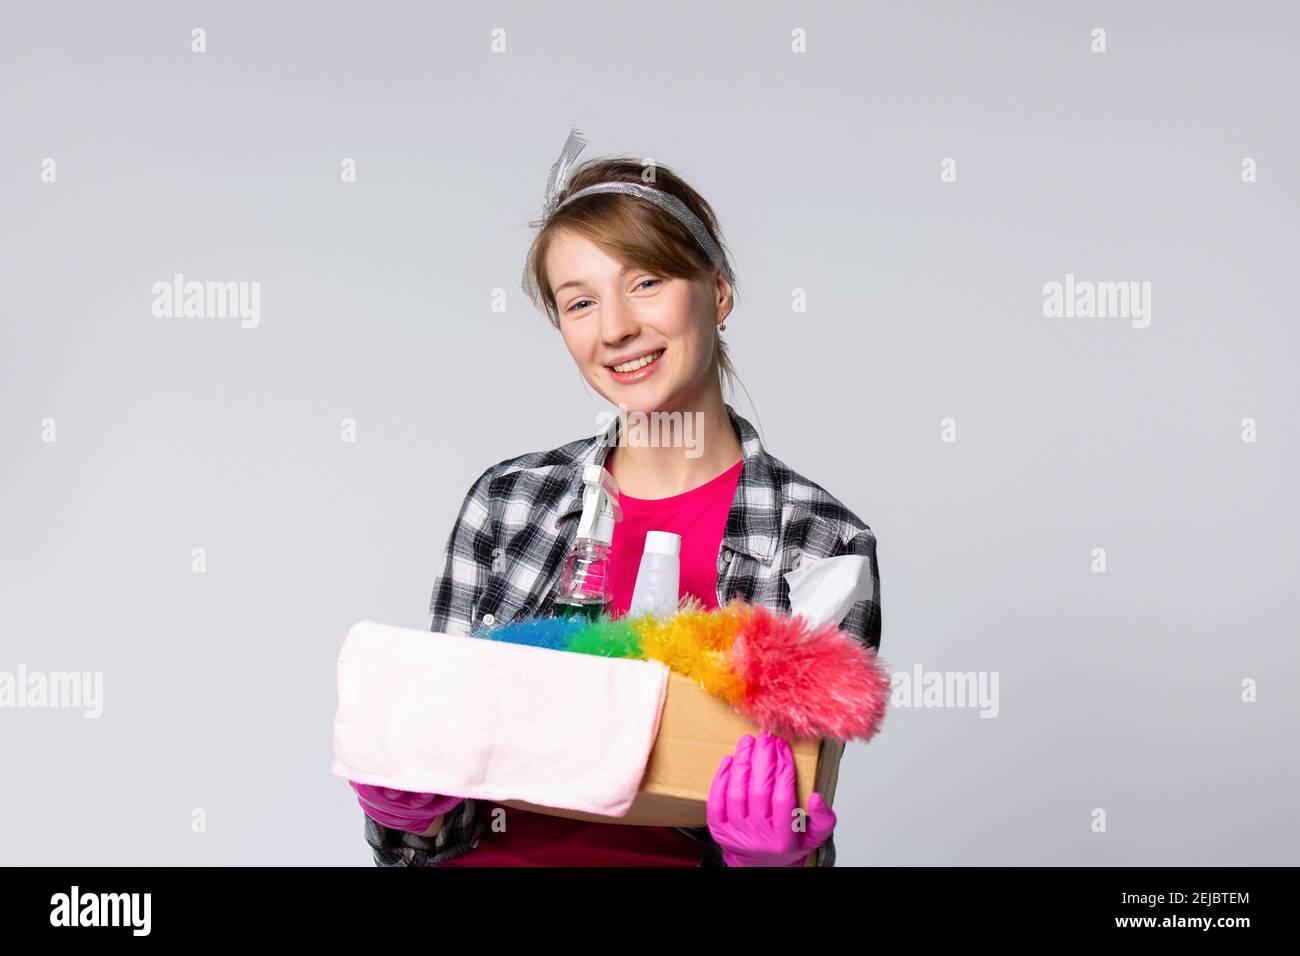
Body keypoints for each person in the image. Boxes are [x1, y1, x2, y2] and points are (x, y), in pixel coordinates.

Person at [349, 128, 882, 867]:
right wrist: (406, 812)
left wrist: (775, 859)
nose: (617, 329)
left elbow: (805, 800)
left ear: (718, 291)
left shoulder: (819, 545)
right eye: (579, 303)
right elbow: (423, 837)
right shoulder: (505, 506)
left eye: (646, 283)